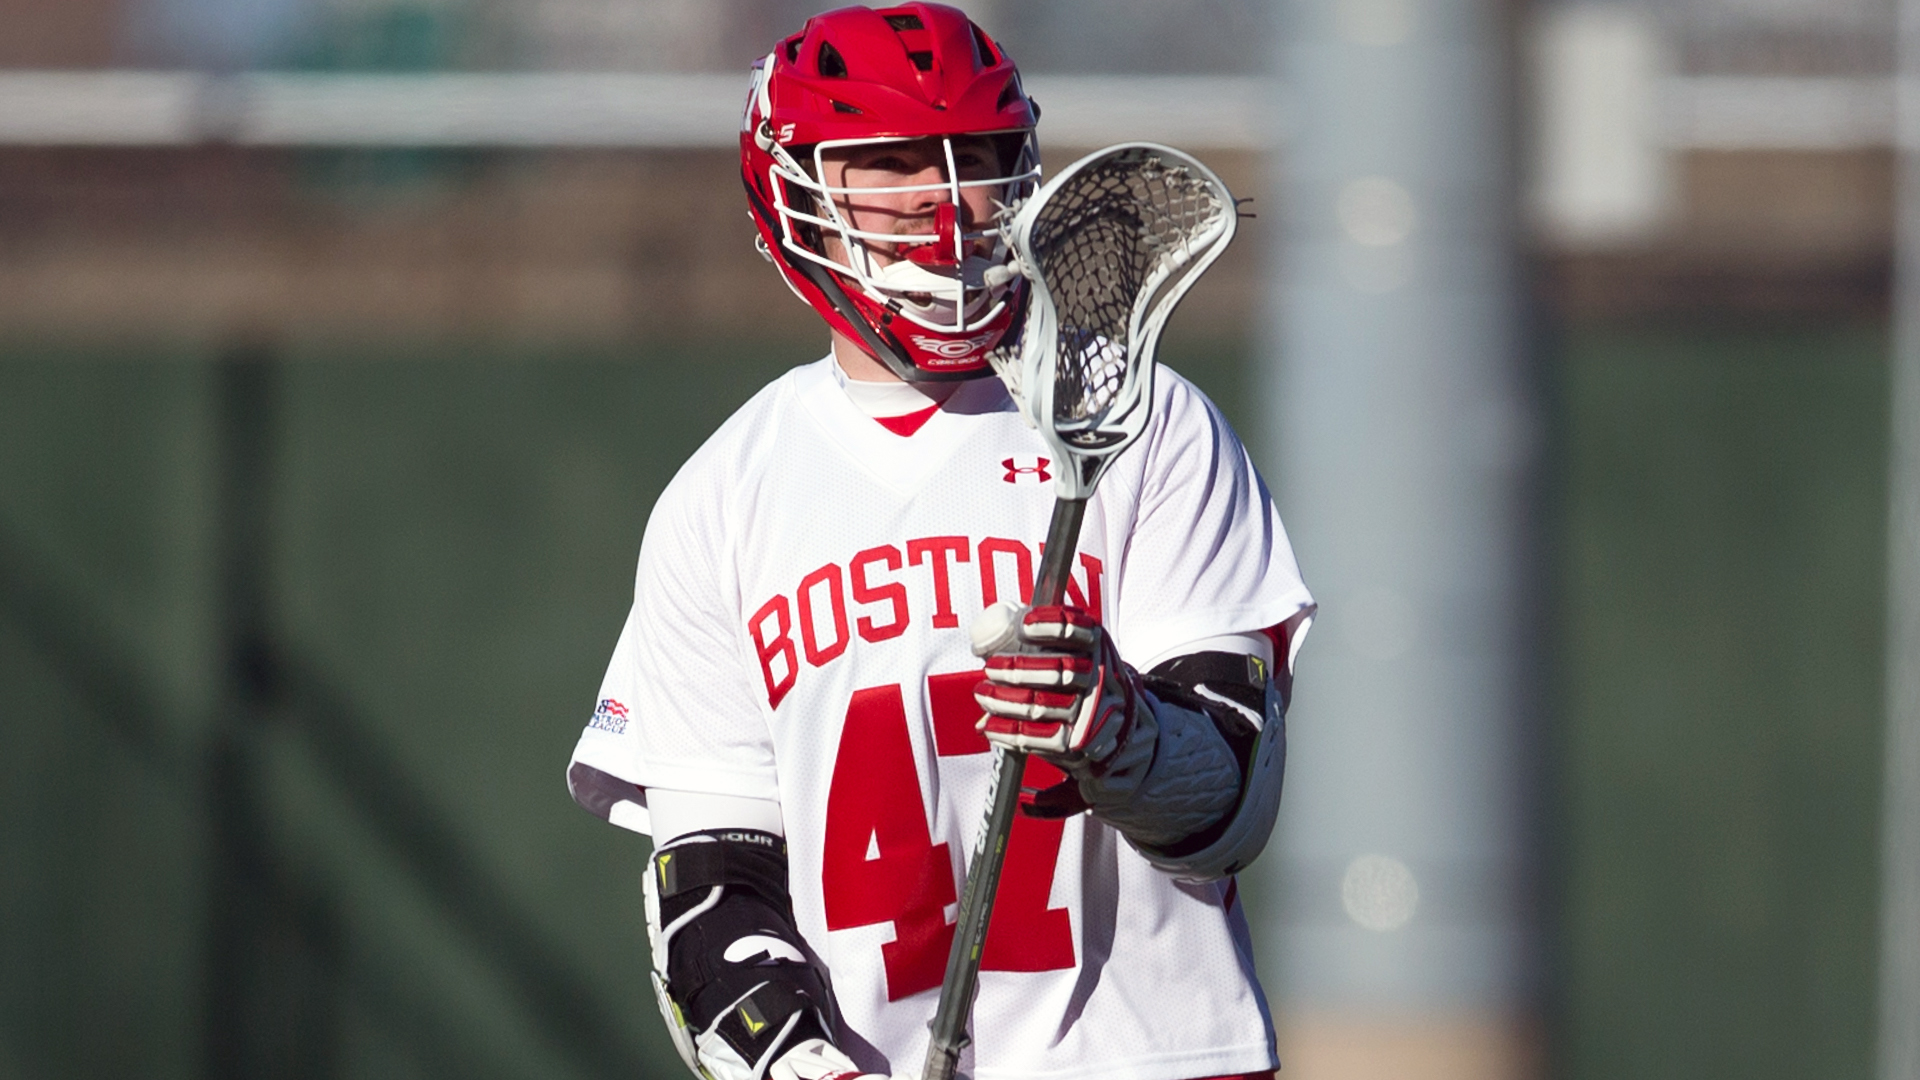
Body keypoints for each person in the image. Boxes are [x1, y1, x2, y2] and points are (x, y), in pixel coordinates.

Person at [565, 6, 1315, 1080]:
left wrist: (1118, 728)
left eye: (982, 160)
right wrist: (800, 1063)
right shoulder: (723, 500)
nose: (950, 203)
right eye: (895, 162)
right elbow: (709, 892)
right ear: (795, 196)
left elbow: (1234, 803)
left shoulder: (1147, 421)